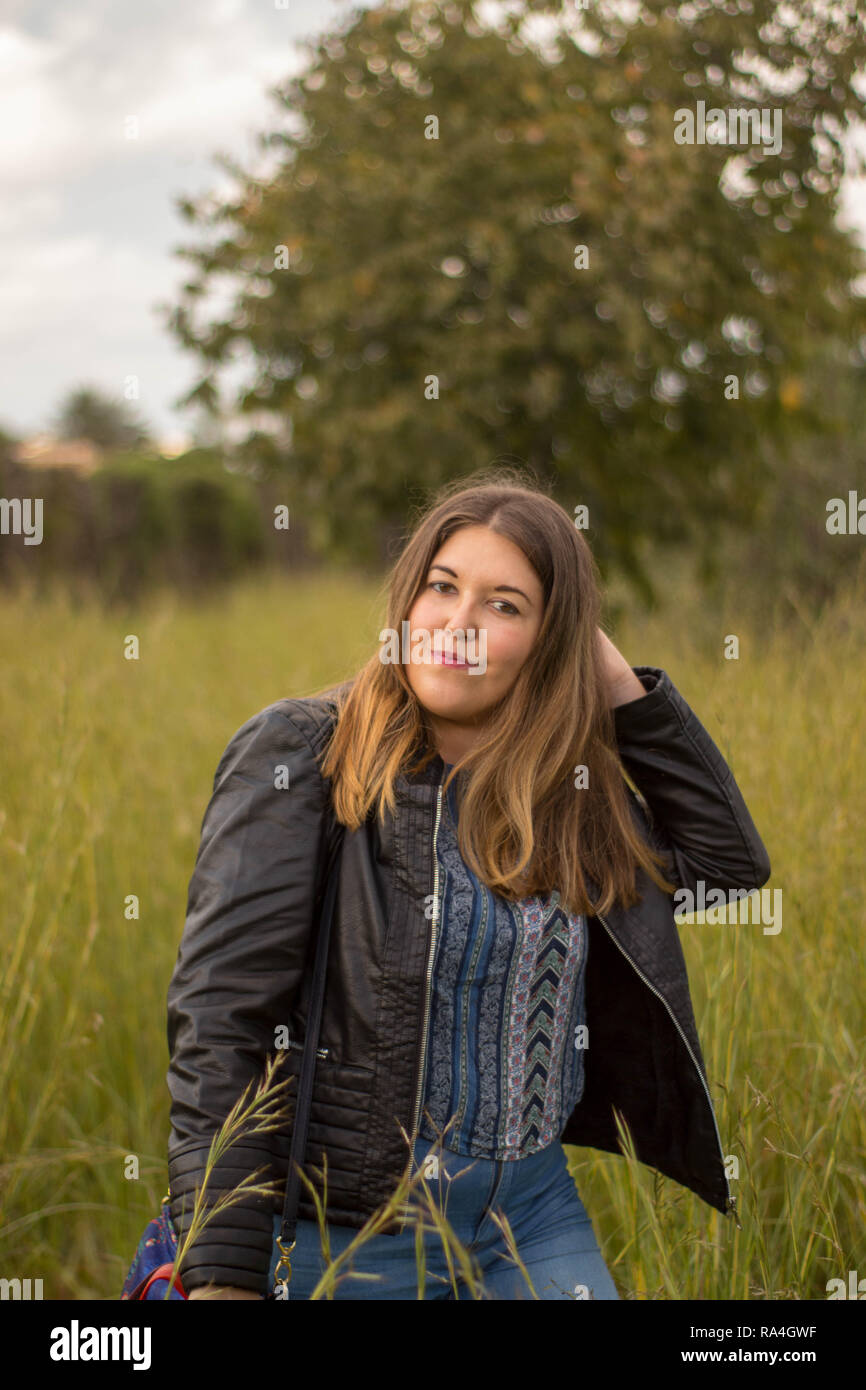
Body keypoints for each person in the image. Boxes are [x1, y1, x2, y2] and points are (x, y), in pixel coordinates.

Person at [167, 471, 771, 1300]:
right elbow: (220, 1019)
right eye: (442, 588)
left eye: (505, 605)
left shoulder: (565, 791)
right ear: (406, 606)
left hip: (530, 1212)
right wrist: (223, 1271)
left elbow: (728, 867)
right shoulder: (301, 753)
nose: (458, 625)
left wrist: (621, 690)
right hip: (348, 1227)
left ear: (554, 643)